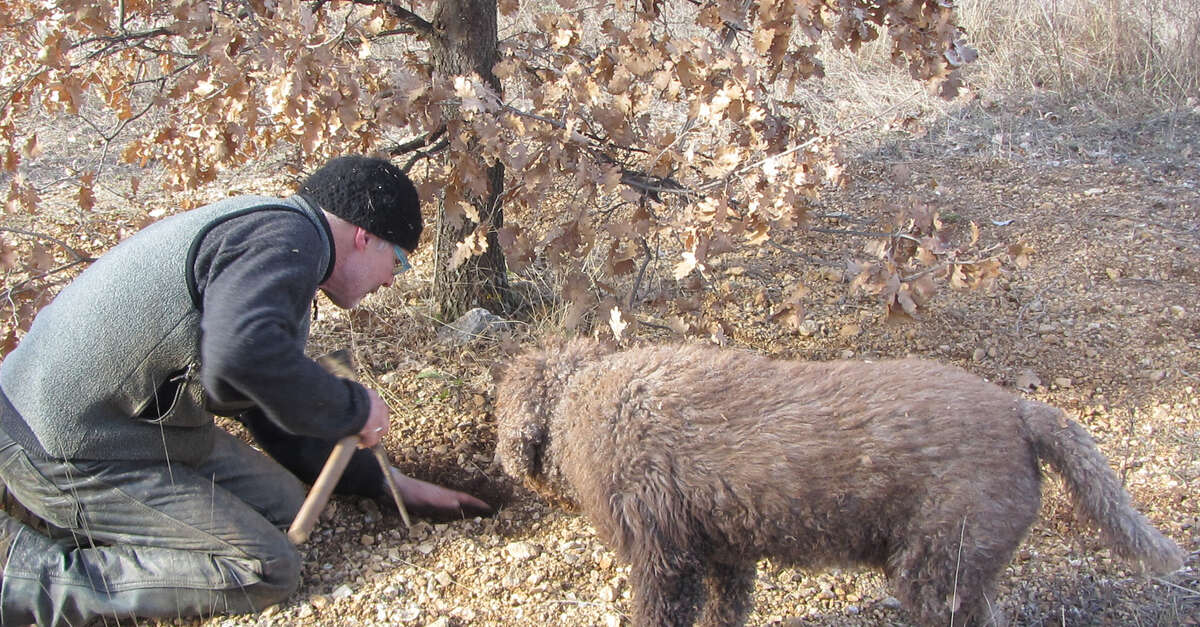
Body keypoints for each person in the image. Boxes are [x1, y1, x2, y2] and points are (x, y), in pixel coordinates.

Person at [0, 155, 491, 625]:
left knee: (284, 503)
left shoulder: (282, 241)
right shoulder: (287, 239)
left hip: (135, 426)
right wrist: (352, 406)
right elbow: (241, 357)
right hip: (59, 444)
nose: (390, 281)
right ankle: (25, 575)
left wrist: (386, 482)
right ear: (364, 237)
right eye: (399, 262)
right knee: (266, 567)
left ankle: (108, 525)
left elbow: (252, 392)